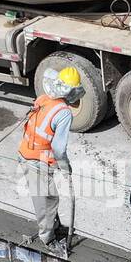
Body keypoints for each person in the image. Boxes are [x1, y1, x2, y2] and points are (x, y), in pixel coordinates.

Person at [17, 65, 83, 244]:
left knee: (50, 198)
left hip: (27, 154)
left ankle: (54, 227)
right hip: (37, 161)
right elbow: (59, 148)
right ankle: (48, 239)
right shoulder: (63, 113)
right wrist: (65, 168)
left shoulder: (44, 98)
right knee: (46, 202)